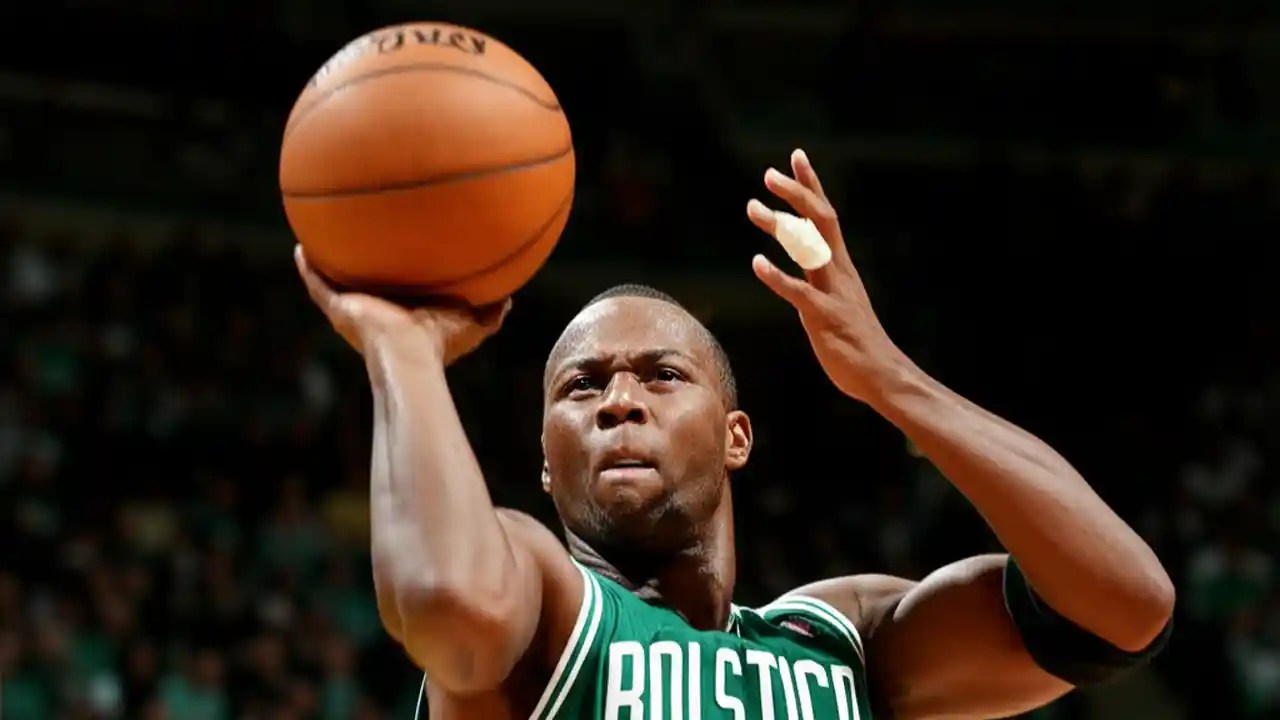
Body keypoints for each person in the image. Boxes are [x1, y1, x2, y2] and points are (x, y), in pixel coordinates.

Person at [294, 149, 1174, 719]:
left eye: (662, 375)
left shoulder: (842, 641)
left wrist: (890, 379)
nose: (619, 402)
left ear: (736, 438)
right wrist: (403, 351)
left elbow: (1123, 608)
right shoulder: (544, 603)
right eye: (582, 387)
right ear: (547, 464)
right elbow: (444, 603)